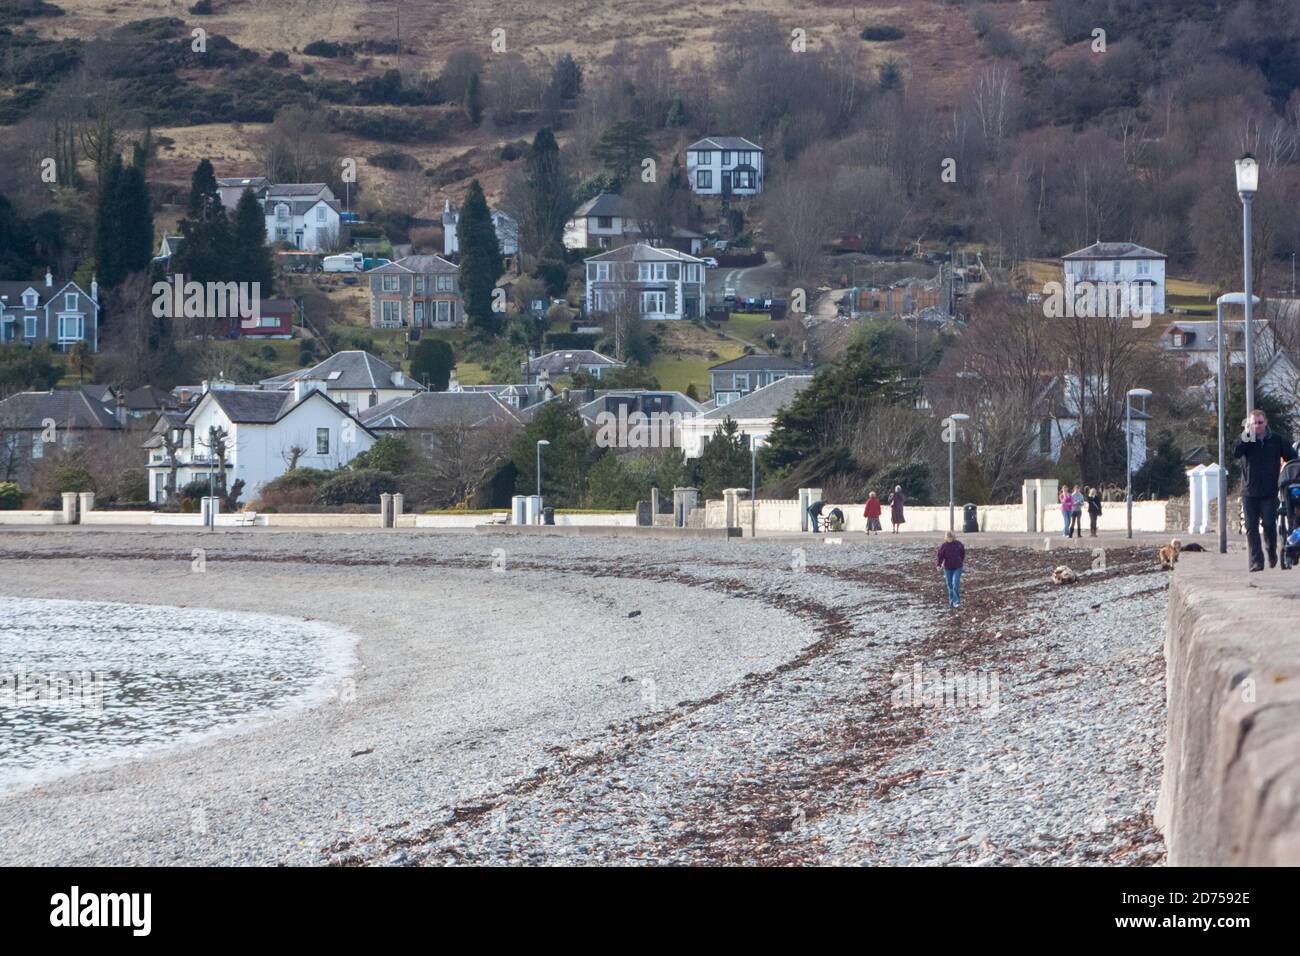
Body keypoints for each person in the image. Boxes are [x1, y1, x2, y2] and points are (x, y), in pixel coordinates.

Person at [1232, 409, 1298, 571]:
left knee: (1269, 524)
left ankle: (1271, 551)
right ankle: (1256, 562)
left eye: (1260, 422)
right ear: (1249, 424)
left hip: (1269, 490)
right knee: (1251, 527)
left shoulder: (1276, 440)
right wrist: (1245, 435)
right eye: (1254, 423)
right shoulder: (1246, 440)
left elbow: (1292, 457)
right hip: (1249, 491)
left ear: (1266, 422)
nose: (1257, 426)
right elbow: (1235, 452)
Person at [936, 530, 965, 609]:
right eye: (948, 538)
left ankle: (956, 601)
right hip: (948, 568)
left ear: (953, 537)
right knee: (950, 585)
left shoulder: (958, 544)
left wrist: (960, 561)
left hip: (958, 567)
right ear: (946, 538)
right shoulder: (944, 546)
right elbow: (940, 556)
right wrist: (939, 565)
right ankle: (951, 603)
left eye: (951, 537)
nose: (949, 539)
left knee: (955, 584)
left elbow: (962, 553)